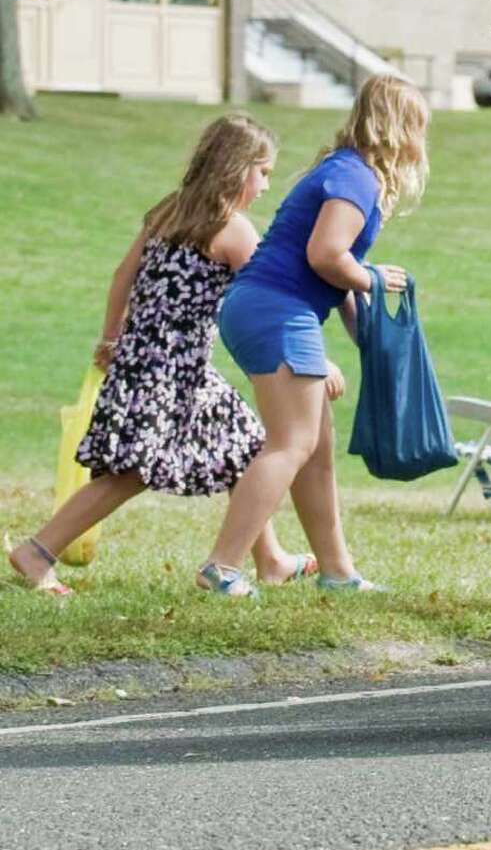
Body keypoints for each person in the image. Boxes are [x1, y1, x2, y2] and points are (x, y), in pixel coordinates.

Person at [7, 116, 313, 597]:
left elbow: (121, 276)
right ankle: (38, 551)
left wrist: (111, 338)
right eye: (264, 172)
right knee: (132, 471)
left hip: (154, 364)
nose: (266, 185)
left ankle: (270, 559)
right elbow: (269, 300)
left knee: (249, 448)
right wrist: (310, 357)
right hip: (171, 374)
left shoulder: (168, 212)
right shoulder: (233, 229)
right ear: (238, 170)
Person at [197, 75, 430, 597]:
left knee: (315, 448)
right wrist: (371, 278)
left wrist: (363, 326)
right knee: (291, 443)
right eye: (419, 129)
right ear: (400, 128)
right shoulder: (356, 177)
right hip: (277, 311)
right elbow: (326, 256)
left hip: (272, 307)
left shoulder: (344, 170)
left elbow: (330, 266)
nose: (421, 144)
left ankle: (337, 572)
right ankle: (221, 567)